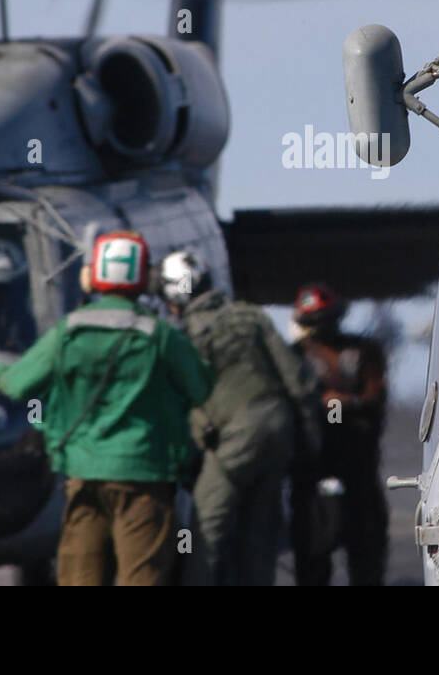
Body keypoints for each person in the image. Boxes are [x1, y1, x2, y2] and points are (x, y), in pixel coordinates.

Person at [0, 230, 213, 586]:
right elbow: (201, 388)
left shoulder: (68, 332)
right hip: (144, 479)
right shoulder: (161, 336)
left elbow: (17, 384)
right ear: (145, 279)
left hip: (83, 476)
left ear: (91, 277)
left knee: (80, 576)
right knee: (141, 576)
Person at [157, 250, 322, 586]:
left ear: (174, 295)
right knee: (259, 534)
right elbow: (299, 380)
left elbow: (181, 403)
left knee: (204, 531)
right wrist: (309, 432)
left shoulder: (181, 337)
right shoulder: (250, 316)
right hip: (277, 430)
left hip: (233, 441)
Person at [289, 283, 388, 586]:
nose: (321, 328)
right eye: (313, 321)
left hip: (357, 462)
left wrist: (345, 403)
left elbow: (375, 396)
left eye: (326, 319)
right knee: (312, 554)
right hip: (313, 467)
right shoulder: (292, 357)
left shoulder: (362, 350)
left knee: (366, 548)